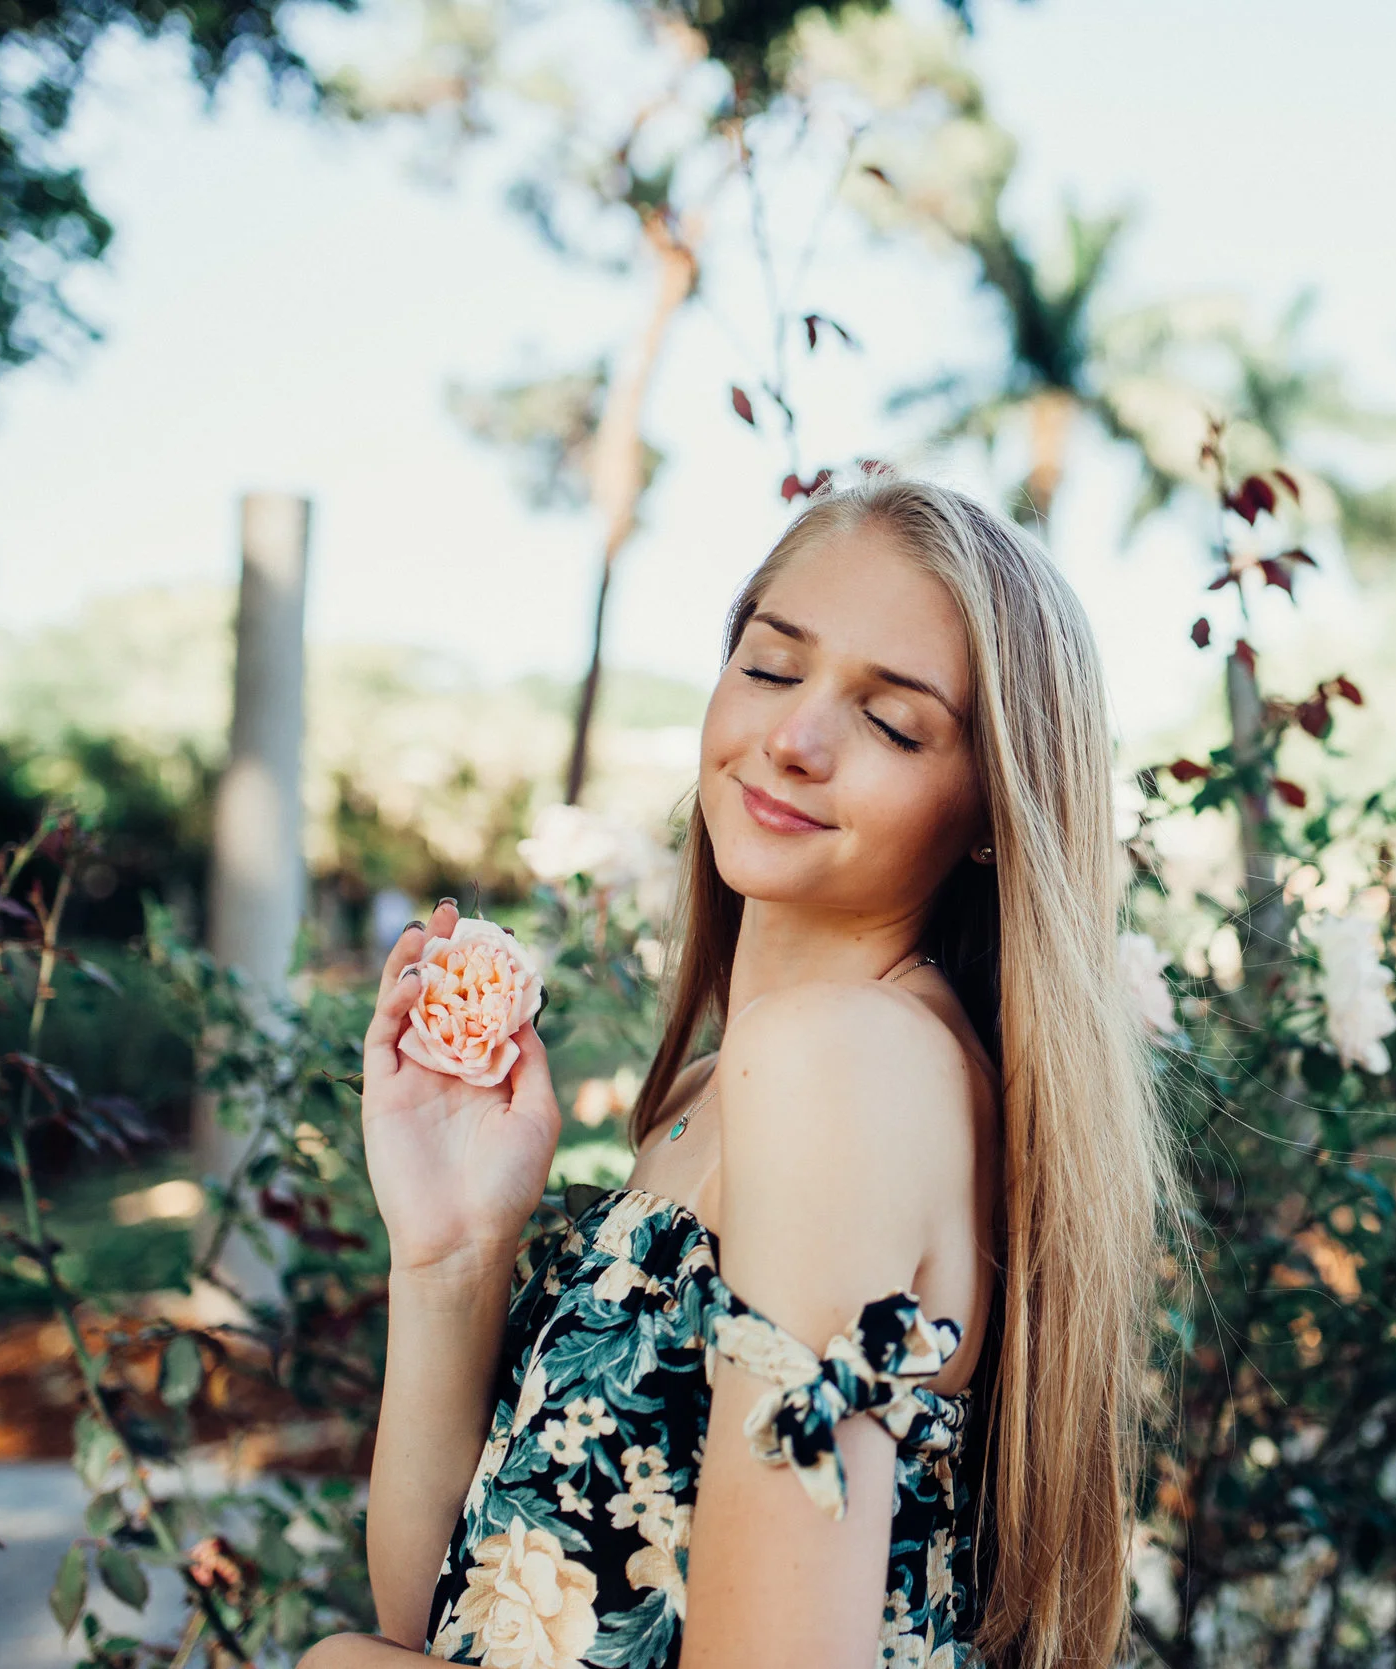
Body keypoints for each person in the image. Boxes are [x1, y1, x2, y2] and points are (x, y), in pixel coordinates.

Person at [298, 479, 1176, 1669]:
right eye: (769, 668)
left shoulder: (840, 1064)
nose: (793, 739)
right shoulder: (711, 1092)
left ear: (989, 809)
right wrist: (450, 1247)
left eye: (893, 722)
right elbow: (455, 1613)